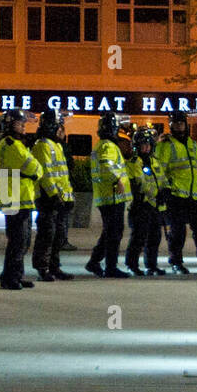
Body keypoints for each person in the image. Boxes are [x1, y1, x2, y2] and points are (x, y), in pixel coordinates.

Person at [155, 113, 197, 275]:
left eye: (181, 123)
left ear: (186, 125)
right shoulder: (165, 145)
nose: (179, 126)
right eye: (175, 124)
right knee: (178, 232)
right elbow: (159, 169)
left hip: (193, 196)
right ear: (171, 126)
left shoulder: (192, 144)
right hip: (175, 196)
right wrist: (163, 189)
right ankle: (176, 263)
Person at [0, 111, 42, 290]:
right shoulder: (10, 144)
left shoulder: (17, 144)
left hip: (22, 197)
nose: (23, 126)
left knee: (23, 240)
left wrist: (36, 168)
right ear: (9, 124)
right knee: (17, 241)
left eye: (23, 123)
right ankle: (9, 278)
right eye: (19, 123)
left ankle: (17, 275)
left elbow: (34, 165)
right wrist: (36, 170)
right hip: (15, 198)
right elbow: (31, 166)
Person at [30, 109, 75, 281]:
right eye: (59, 126)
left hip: (59, 199)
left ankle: (54, 266)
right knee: (47, 235)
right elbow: (46, 173)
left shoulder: (56, 145)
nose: (62, 130)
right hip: (48, 199)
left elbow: (62, 175)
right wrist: (54, 195)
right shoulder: (42, 145)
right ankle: (43, 268)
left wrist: (68, 197)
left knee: (58, 235)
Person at [87, 113, 131, 278]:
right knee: (114, 233)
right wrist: (117, 180)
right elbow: (107, 165)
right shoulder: (108, 146)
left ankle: (94, 262)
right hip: (111, 196)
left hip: (108, 196)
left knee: (110, 232)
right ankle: (110, 267)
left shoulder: (104, 145)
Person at [125, 127, 165, 275]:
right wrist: (157, 194)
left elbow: (162, 179)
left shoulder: (155, 162)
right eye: (143, 144)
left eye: (148, 144)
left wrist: (165, 191)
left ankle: (151, 265)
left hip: (155, 206)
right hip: (141, 206)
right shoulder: (134, 163)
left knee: (155, 237)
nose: (146, 147)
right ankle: (132, 265)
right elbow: (140, 183)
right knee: (138, 237)